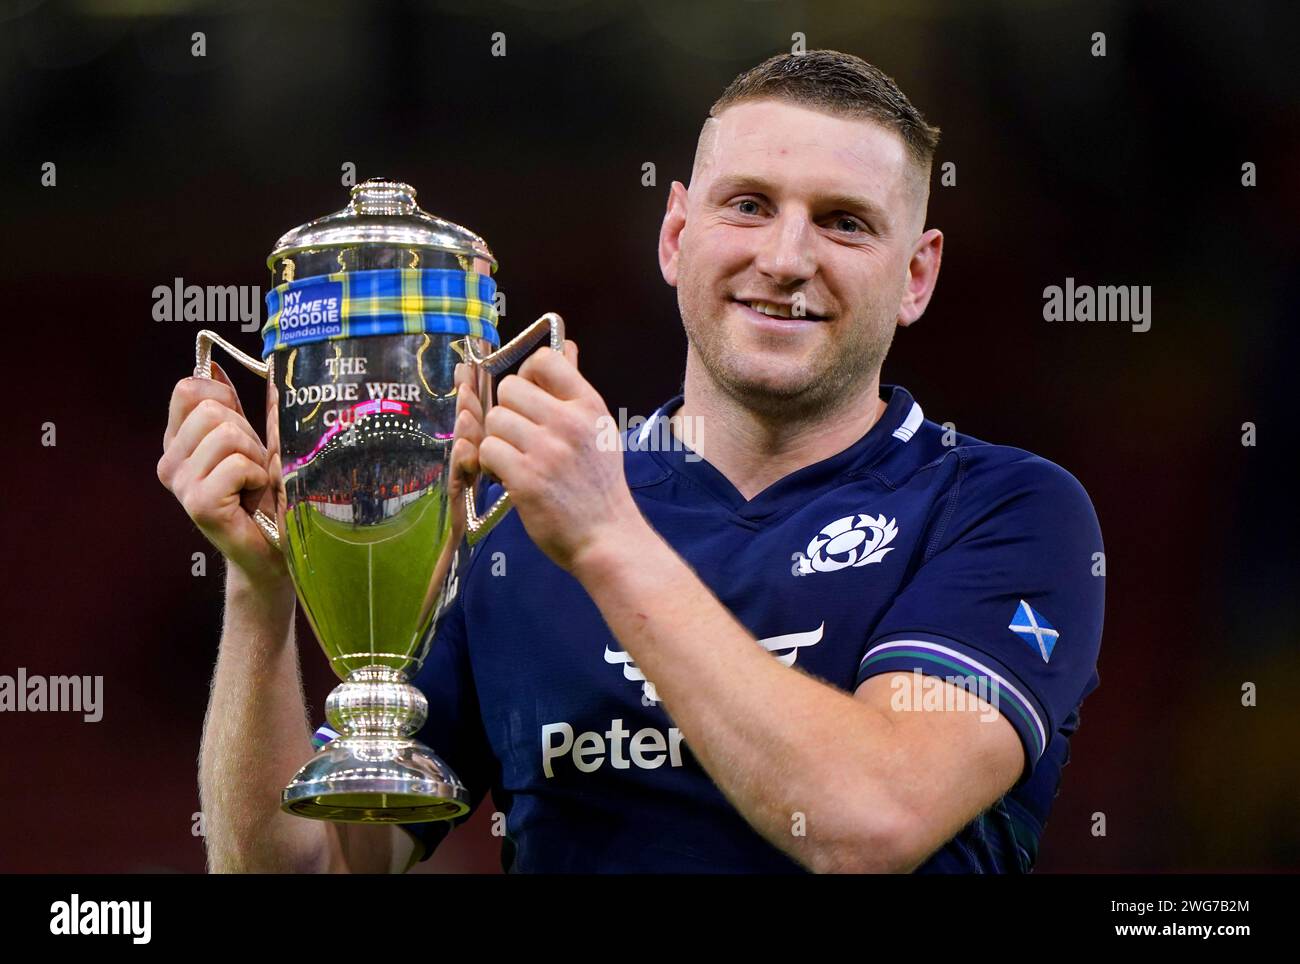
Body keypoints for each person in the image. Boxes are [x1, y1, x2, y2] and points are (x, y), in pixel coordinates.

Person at [158, 50, 1103, 873]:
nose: (785, 257)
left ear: (917, 275)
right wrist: (261, 590)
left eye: (845, 222)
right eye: (749, 206)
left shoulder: (1006, 511)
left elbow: (868, 823)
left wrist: (607, 537)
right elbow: (304, 871)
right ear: (676, 235)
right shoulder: (508, 529)